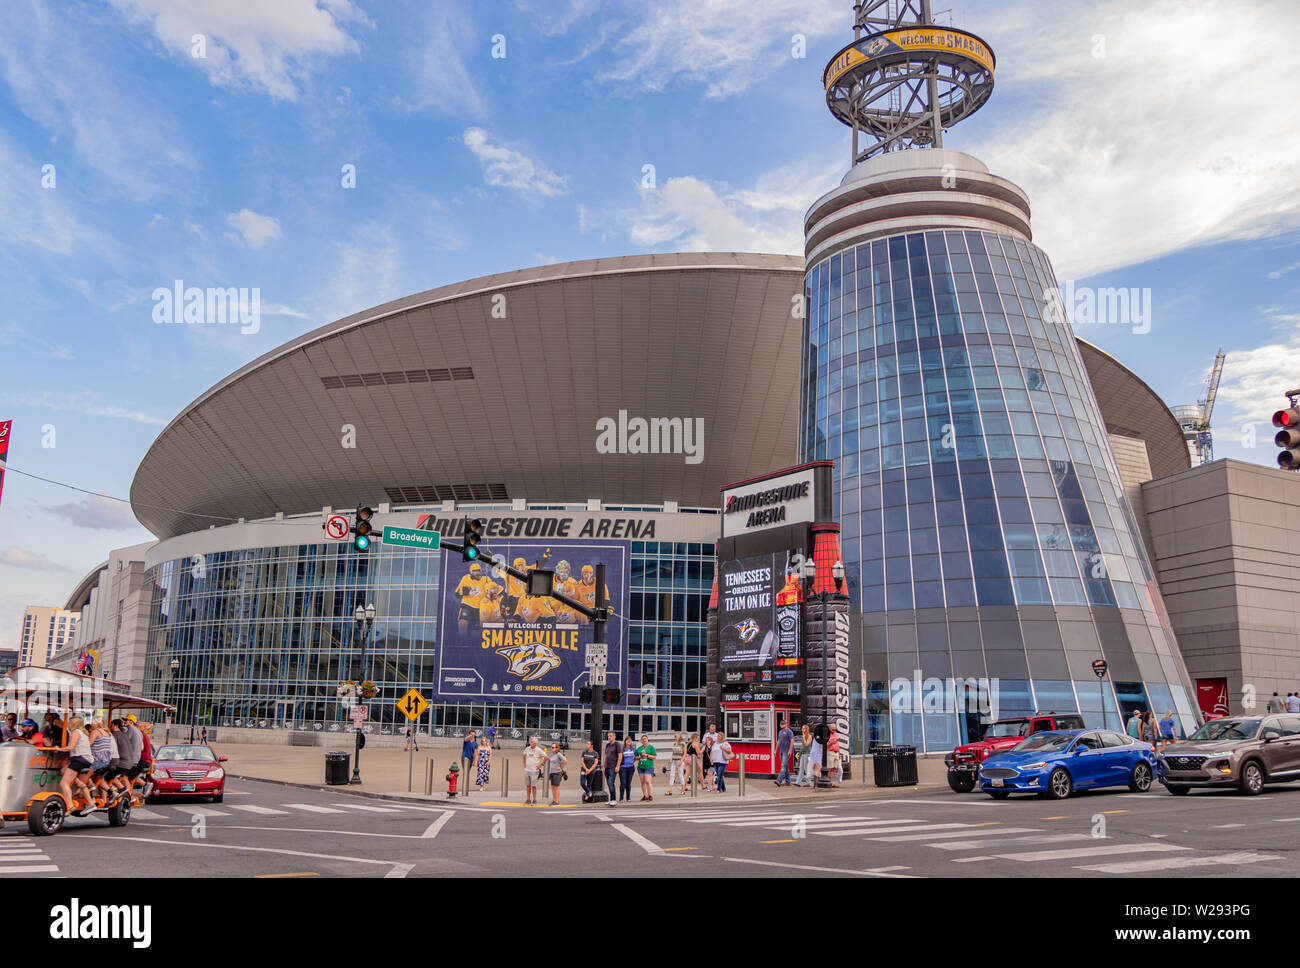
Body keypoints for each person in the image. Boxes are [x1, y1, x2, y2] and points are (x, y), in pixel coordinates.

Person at [57, 715, 97, 815]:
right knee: (63, 770)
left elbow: (70, 747)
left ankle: (70, 806)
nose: (68, 725)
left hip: (80, 759)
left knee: (63, 783)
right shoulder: (84, 733)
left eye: (69, 723)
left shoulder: (75, 732)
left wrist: (58, 749)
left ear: (73, 724)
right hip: (85, 759)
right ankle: (81, 785)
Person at [521, 736, 546, 805]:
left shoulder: (539, 750)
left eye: (532, 742)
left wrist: (541, 765)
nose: (530, 743)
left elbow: (546, 757)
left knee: (533, 786)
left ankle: (534, 800)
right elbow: (523, 755)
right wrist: (524, 765)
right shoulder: (527, 749)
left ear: (535, 743)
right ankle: (528, 799)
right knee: (528, 785)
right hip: (527, 770)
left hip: (534, 771)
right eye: (530, 741)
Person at [635, 734, 656, 801]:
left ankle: (650, 795)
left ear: (647, 740)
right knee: (642, 782)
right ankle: (645, 795)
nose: (644, 740)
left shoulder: (651, 747)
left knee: (647, 781)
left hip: (649, 766)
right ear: (641, 741)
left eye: (645, 739)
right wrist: (639, 757)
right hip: (641, 766)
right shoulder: (639, 748)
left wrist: (647, 755)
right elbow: (635, 757)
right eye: (643, 739)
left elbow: (654, 756)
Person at [603, 731, 621, 807]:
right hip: (607, 767)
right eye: (608, 736)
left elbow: (620, 756)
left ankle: (614, 799)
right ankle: (611, 800)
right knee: (609, 783)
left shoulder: (617, 745)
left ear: (614, 736)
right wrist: (603, 766)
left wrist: (618, 766)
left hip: (613, 767)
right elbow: (605, 756)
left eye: (610, 736)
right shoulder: (607, 745)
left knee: (611, 782)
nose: (609, 737)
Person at [775, 720, 794, 787]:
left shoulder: (789, 732)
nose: (781, 725)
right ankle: (788, 782)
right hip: (781, 751)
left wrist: (790, 750)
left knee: (783, 766)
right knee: (785, 766)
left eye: (783, 724)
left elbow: (792, 741)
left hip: (786, 751)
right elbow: (778, 741)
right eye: (781, 724)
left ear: (786, 724)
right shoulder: (780, 732)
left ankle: (779, 780)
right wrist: (775, 750)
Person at [619, 737, 636, 802]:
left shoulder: (633, 749)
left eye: (630, 740)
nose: (629, 741)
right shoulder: (622, 749)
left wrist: (632, 762)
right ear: (625, 741)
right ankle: (621, 798)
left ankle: (628, 797)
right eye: (627, 740)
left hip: (631, 768)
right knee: (623, 782)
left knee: (628, 783)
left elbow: (635, 757)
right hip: (623, 767)